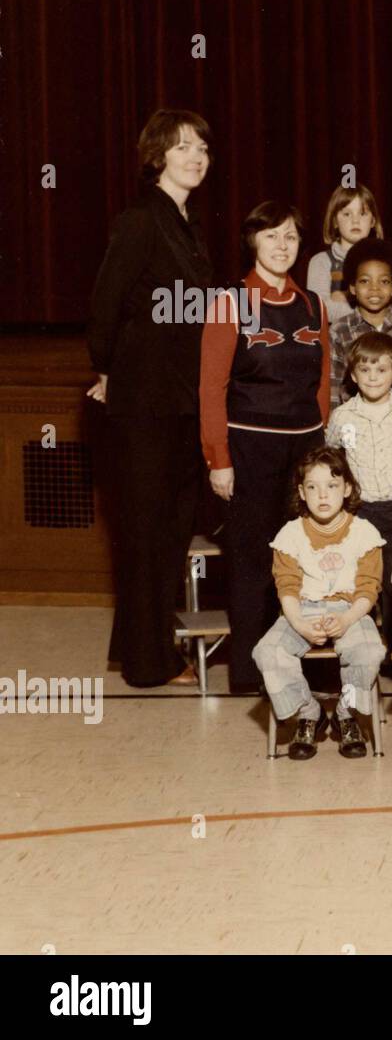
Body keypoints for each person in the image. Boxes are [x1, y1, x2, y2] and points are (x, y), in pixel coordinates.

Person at [85, 108, 214, 688]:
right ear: (158, 156)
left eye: (203, 149)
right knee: (144, 531)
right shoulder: (141, 220)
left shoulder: (186, 225)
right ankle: (145, 662)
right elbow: (105, 309)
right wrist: (111, 370)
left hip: (182, 404)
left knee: (167, 531)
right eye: (184, 147)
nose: (196, 157)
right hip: (144, 405)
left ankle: (150, 648)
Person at [200, 201, 330, 693]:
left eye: (291, 237)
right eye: (272, 236)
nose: (282, 246)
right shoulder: (229, 302)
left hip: (304, 452)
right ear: (253, 241)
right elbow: (211, 387)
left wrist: (321, 451)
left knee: (305, 561)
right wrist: (219, 459)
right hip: (249, 451)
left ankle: (305, 668)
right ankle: (250, 676)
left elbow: (322, 384)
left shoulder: (313, 304)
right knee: (254, 561)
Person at [253, 447, 386, 760]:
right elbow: (286, 586)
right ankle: (308, 713)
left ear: (348, 489)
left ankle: (346, 714)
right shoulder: (290, 534)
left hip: (350, 611)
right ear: (301, 492)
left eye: (332, 486)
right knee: (267, 652)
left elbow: (369, 588)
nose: (322, 495)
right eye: (312, 487)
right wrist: (299, 623)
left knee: (369, 651)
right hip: (302, 610)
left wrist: (347, 619)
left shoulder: (364, 533)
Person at [325, 331, 392, 654]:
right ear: (352, 374)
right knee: (360, 583)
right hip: (358, 512)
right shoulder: (343, 416)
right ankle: (358, 650)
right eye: (365, 370)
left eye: (382, 370)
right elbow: (332, 458)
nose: (373, 377)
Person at [328, 237, 392, 406]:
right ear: (353, 287)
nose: (374, 288)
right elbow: (333, 387)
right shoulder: (339, 330)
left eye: (384, 281)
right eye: (365, 281)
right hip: (353, 423)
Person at [306, 185, 389, 325]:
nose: (355, 220)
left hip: (376, 342)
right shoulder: (321, 262)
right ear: (334, 221)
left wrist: (345, 297)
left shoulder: (386, 260)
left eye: (362, 213)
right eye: (347, 214)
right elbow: (319, 309)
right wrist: (369, 311)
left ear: (373, 221)